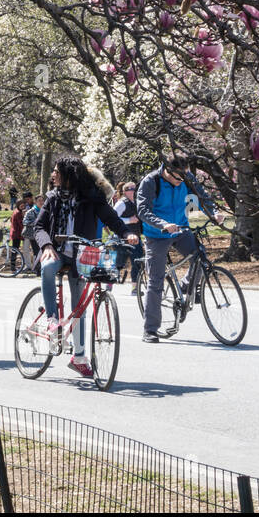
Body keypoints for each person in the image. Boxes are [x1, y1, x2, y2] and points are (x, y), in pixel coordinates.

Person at [25, 158, 138, 378]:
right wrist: (47, 245)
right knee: (48, 267)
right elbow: (38, 226)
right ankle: (52, 320)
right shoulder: (52, 198)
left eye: (57, 172)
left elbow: (111, 219)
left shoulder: (92, 198)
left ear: (70, 176)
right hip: (56, 251)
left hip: (81, 255)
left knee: (79, 307)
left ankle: (79, 357)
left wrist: (127, 233)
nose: (53, 175)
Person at [136, 155, 218, 343]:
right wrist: (162, 224)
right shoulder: (151, 181)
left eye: (184, 178)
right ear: (165, 169)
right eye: (177, 178)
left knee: (200, 257)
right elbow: (143, 210)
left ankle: (184, 287)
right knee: (156, 281)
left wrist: (214, 213)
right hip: (156, 234)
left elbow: (202, 197)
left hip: (181, 229)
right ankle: (150, 330)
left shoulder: (185, 177)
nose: (181, 181)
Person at [113, 181, 145, 294]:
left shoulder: (136, 202)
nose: (133, 191)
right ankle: (108, 286)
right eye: (130, 189)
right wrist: (129, 220)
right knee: (119, 264)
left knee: (137, 263)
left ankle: (135, 288)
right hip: (123, 239)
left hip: (136, 238)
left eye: (134, 189)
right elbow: (112, 219)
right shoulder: (121, 203)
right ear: (124, 191)